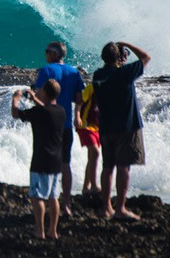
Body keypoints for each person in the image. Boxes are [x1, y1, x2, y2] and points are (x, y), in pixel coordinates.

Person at [93, 41, 150, 220]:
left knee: (107, 167)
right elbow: (145, 57)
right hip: (126, 127)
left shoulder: (98, 75)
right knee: (123, 167)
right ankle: (120, 209)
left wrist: (119, 59)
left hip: (106, 127)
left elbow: (110, 77)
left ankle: (106, 208)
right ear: (119, 57)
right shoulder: (125, 73)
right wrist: (126, 44)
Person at [32, 41, 84, 215]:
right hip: (66, 123)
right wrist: (77, 116)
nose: (45, 54)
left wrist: (32, 99)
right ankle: (66, 204)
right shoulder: (74, 72)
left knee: (45, 163)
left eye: (47, 51)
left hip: (48, 124)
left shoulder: (47, 70)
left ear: (54, 54)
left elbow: (40, 96)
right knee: (65, 163)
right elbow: (79, 98)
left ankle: (47, 200)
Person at [12, 79, 65, 240]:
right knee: (53, 197)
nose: (39, 91)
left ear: (46, 93)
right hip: (57, 161)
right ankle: (53, 231)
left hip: (41, 160)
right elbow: (47, 109)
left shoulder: (38, 113)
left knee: (38, 197)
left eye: (41, 90)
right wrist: (35, 98)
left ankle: (40, 231)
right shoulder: (61, 112)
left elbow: (16, 114)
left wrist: (15, 99)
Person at [74, 82, 102, 197]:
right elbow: (79, 102)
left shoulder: (110, 89)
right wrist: (77, 117)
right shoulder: (92, 87)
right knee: (95, 152)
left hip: (97, 128)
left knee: (92, 156)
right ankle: (94, 185)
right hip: (85, 125)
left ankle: (86, 187)